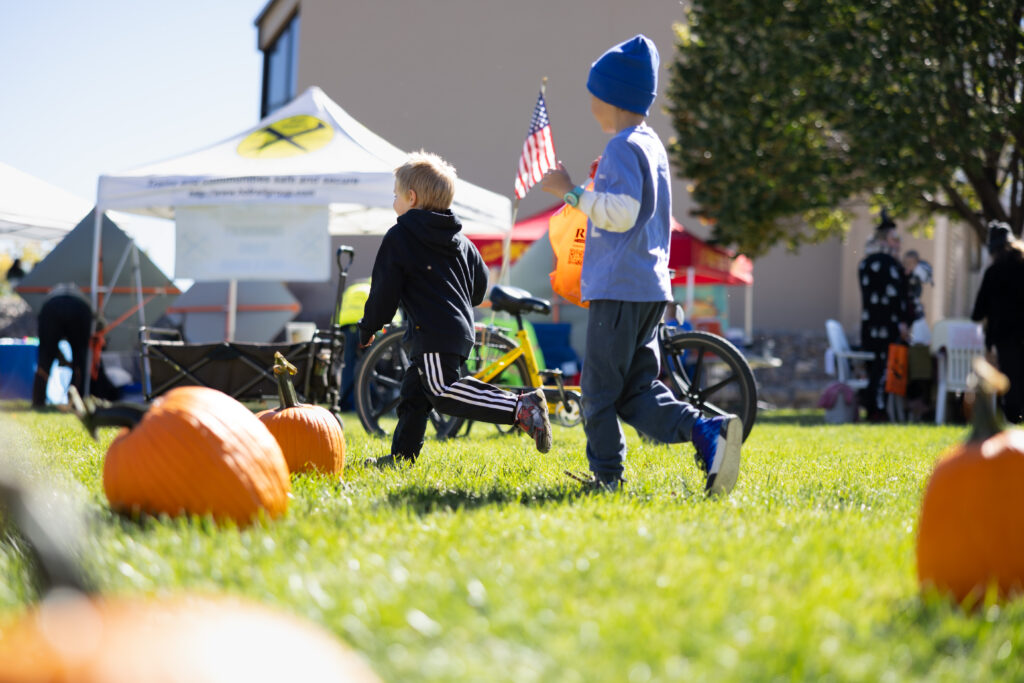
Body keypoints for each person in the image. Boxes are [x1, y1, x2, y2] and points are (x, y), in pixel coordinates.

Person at [540, 34, 742, 495]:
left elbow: (623, 212)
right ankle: (707, 433)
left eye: (595, 94)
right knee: (636, 392)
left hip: (619, 289)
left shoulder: (621, 147)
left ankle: (606, 477)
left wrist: (571, 191)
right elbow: (636, 205)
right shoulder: (649, 145)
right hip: (649, 288)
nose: (592, 104)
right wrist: (599, 183)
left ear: (612, 97)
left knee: (598, 392)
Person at [357, 151, 552, 467]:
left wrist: (369, 326)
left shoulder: (401, 235)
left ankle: (520, 407)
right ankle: (402, 457)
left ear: (411, 197)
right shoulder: (461, 240)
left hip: (433, 332)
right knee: (415, 397)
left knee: (444, 391)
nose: (394, 202)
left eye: (395, 195)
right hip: (456, 329)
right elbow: (479, 287)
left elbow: (384, 290)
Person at [857, 212, 911, 421]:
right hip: (888, 326)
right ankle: (878, 410)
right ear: (884, 239)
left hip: (869, 325)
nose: (898, 244)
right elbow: (899, 298)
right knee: (884, 368)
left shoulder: (864, 263)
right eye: (894, 239)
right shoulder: (892, 265)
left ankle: (873, 408)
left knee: (876, 368)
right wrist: (902, 322)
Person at [31, 283, 120, 408]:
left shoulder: (52, 297)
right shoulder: (82, 299)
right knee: (80, 360)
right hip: (80, 309)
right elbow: (100, 325)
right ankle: (77, 402)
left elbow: (47, 343)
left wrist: (59, 357)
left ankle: (38, 402)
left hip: (50, 308)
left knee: (45, 358)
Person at [971, 221, 1024, 423]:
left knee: (1011, 384)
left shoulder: (993, 272)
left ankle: (1014, 423)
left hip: (1004, 336)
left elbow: (977, 312)